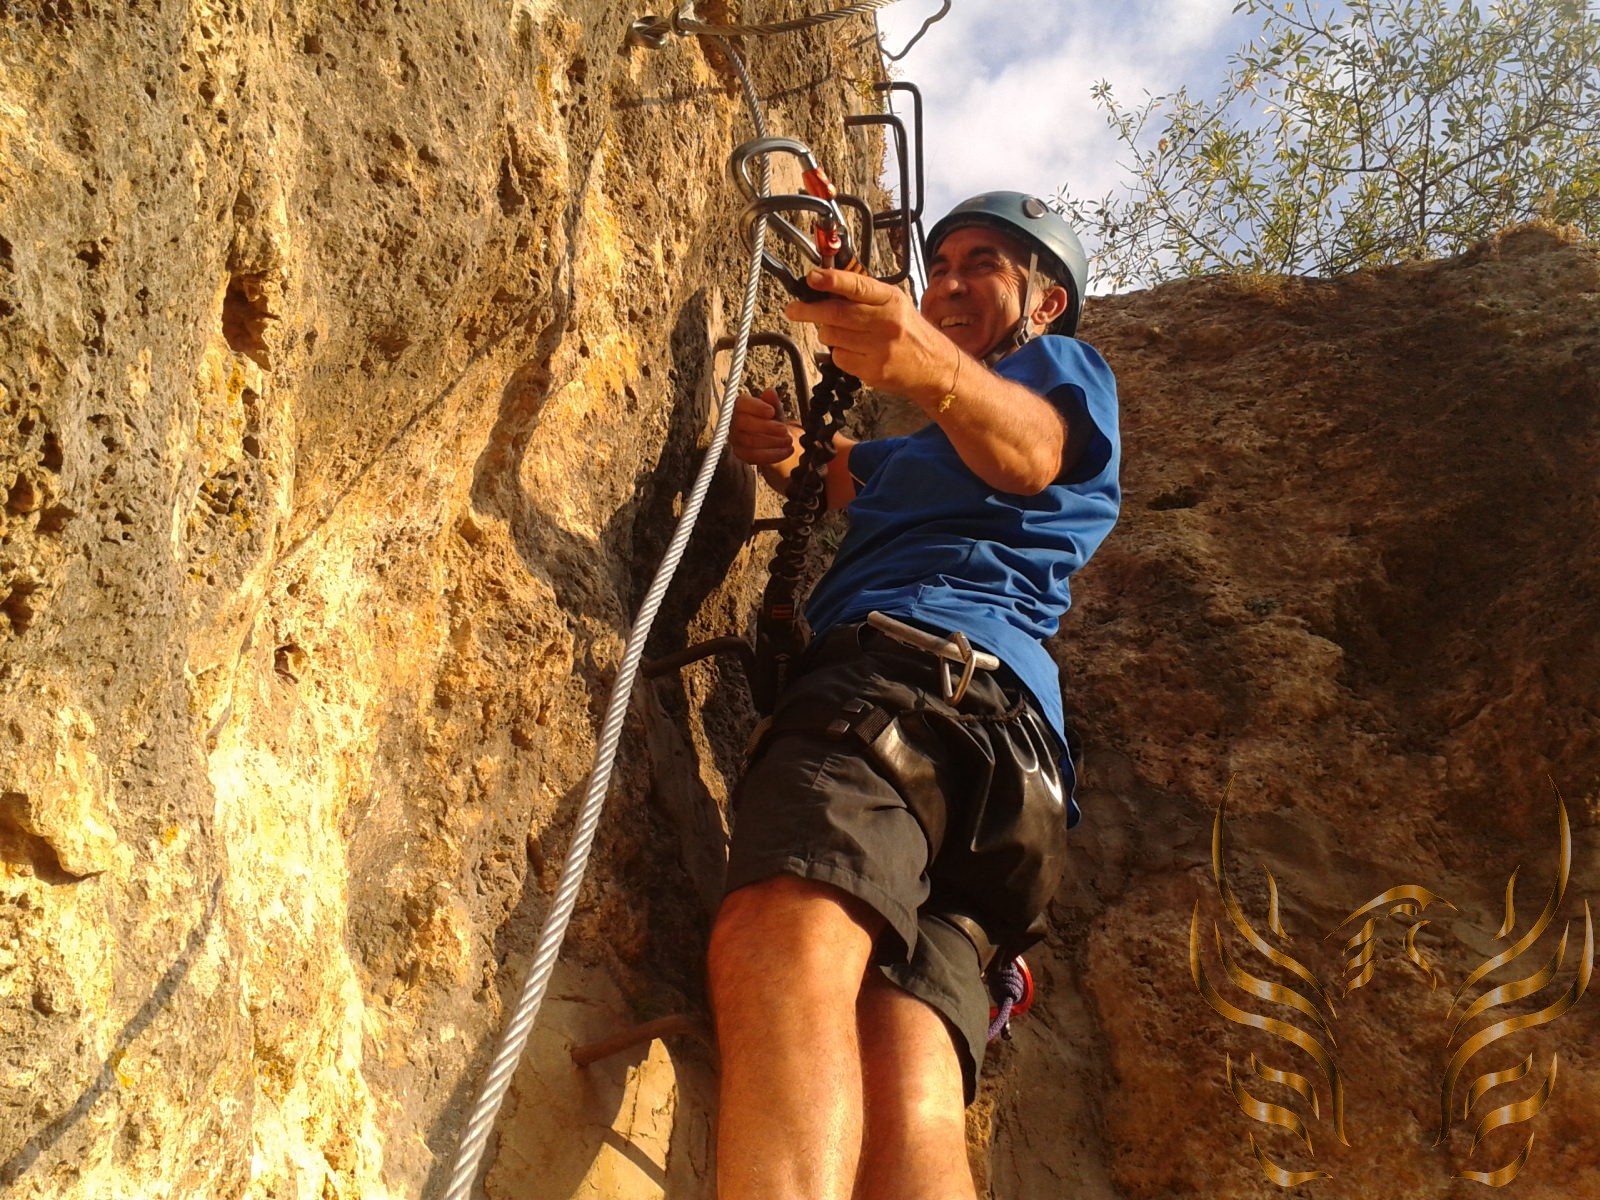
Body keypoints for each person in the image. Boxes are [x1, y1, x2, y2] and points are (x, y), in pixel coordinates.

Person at [709, 193, 1121, 1200]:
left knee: (787, 928)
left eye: (983, 264)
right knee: (910, 1072)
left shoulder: (1059, 372)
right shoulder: (927, 453)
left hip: (910, 690)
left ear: (1045, 301)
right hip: (1008, 783)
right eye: (941, 268)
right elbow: (832, 472)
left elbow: (1028, 450)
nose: (950, 284)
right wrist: (774, 441)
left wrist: (923, 359)